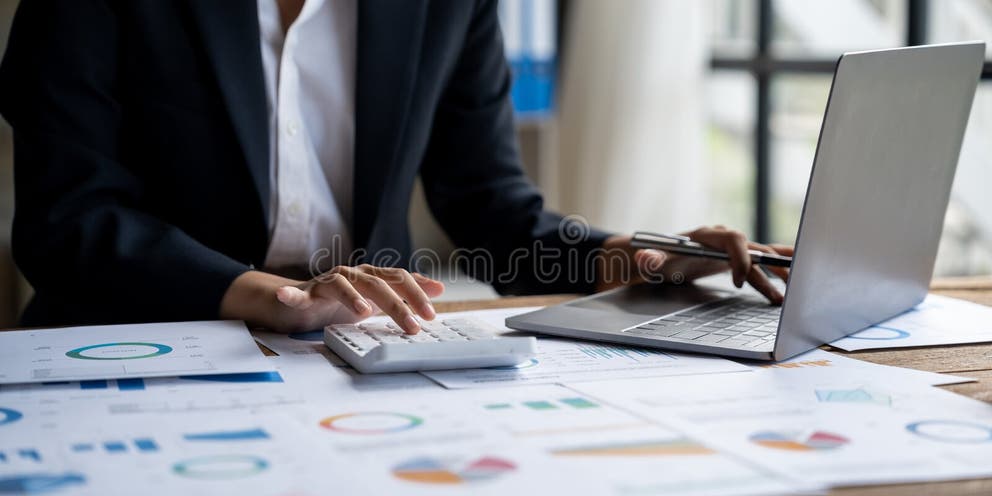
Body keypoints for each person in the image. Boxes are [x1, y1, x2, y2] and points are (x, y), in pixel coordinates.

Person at [0, 0, 791, 333]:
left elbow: (490, 206)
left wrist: (635, 258)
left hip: (364, 351)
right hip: (137, 339)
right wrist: (277, 296)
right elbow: (68, 219)